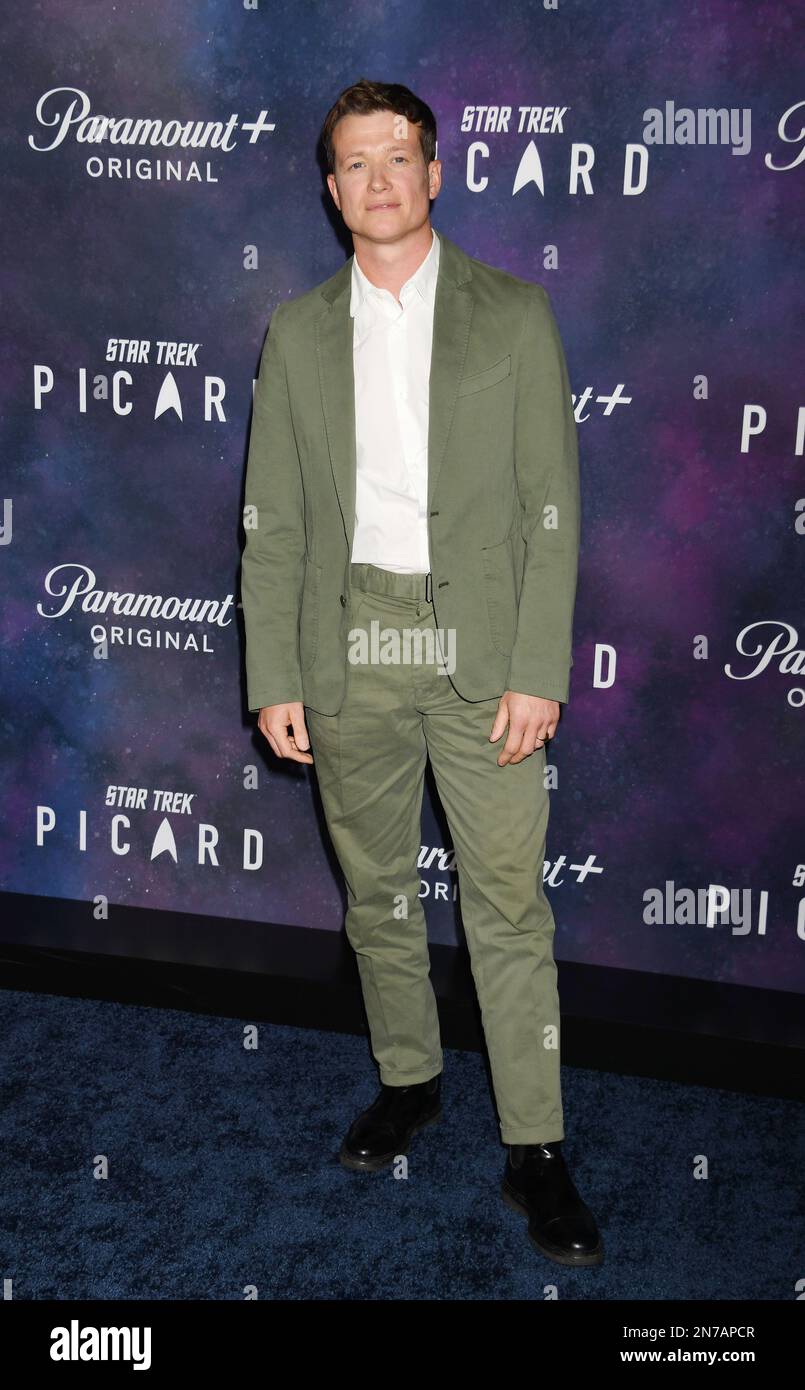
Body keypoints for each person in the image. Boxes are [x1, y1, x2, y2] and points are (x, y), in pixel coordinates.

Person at [241, 77, 603, 1267]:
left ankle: (536, 1148)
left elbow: (551, 513)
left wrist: (535, 665)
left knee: (505, 904)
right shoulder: (296, 332)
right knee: (379, 893)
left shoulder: (514, 313)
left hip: (481, 646)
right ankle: (409, 1081)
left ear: (435, 173)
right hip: (354, 640)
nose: (379, 179)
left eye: (399, 156)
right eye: (355, 162)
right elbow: (279, 522)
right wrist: (276, 670)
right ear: (332, 187)